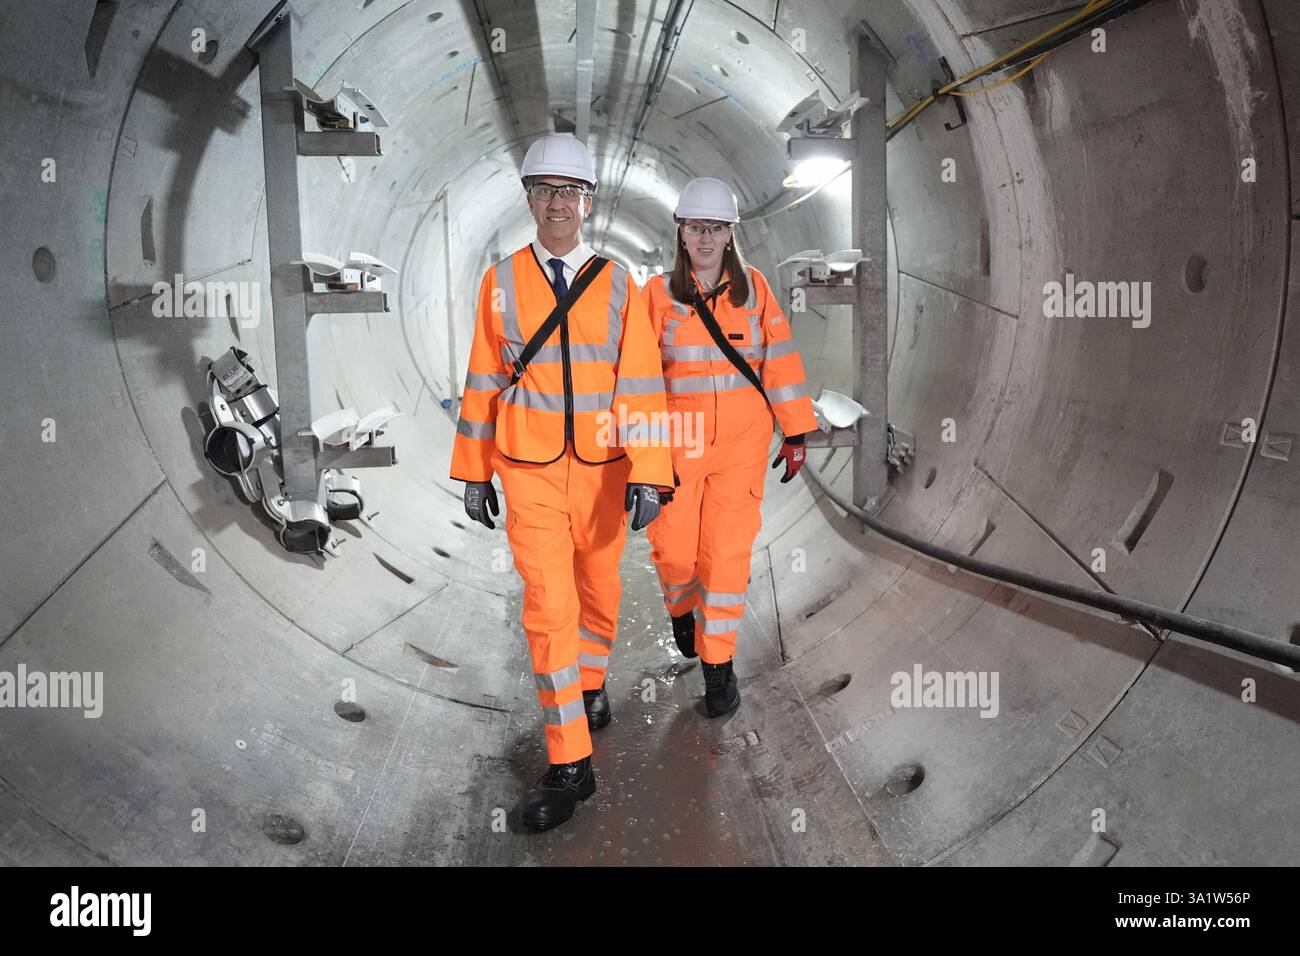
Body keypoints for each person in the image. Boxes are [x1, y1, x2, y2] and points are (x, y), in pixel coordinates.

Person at [450, 133, 673, 830]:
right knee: (549, 607)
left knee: (599, 591)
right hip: (531, 470)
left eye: (568, 190)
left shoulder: (618, 284)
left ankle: (591, 683)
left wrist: (651, 473)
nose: (557, 203)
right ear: (529, 198)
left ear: (586, 201)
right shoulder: (500, 282)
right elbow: (485, 378)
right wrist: (473, 470)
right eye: (544, 189)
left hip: (605, 470)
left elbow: (639, 381)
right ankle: (569, 761)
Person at [641, 177, 817, 717]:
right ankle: (680, 608)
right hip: (678, 447)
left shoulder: (754, 290)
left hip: (741, 445)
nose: (705, 238)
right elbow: (640, 378)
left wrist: (795, 430)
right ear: (681, 231)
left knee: (727, 557)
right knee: (675, 553)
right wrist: (641, 457)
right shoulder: (657, 295)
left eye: (715, 228)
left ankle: (720, 671)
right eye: (696, 227)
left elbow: (779, 361)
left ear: (729, 235)